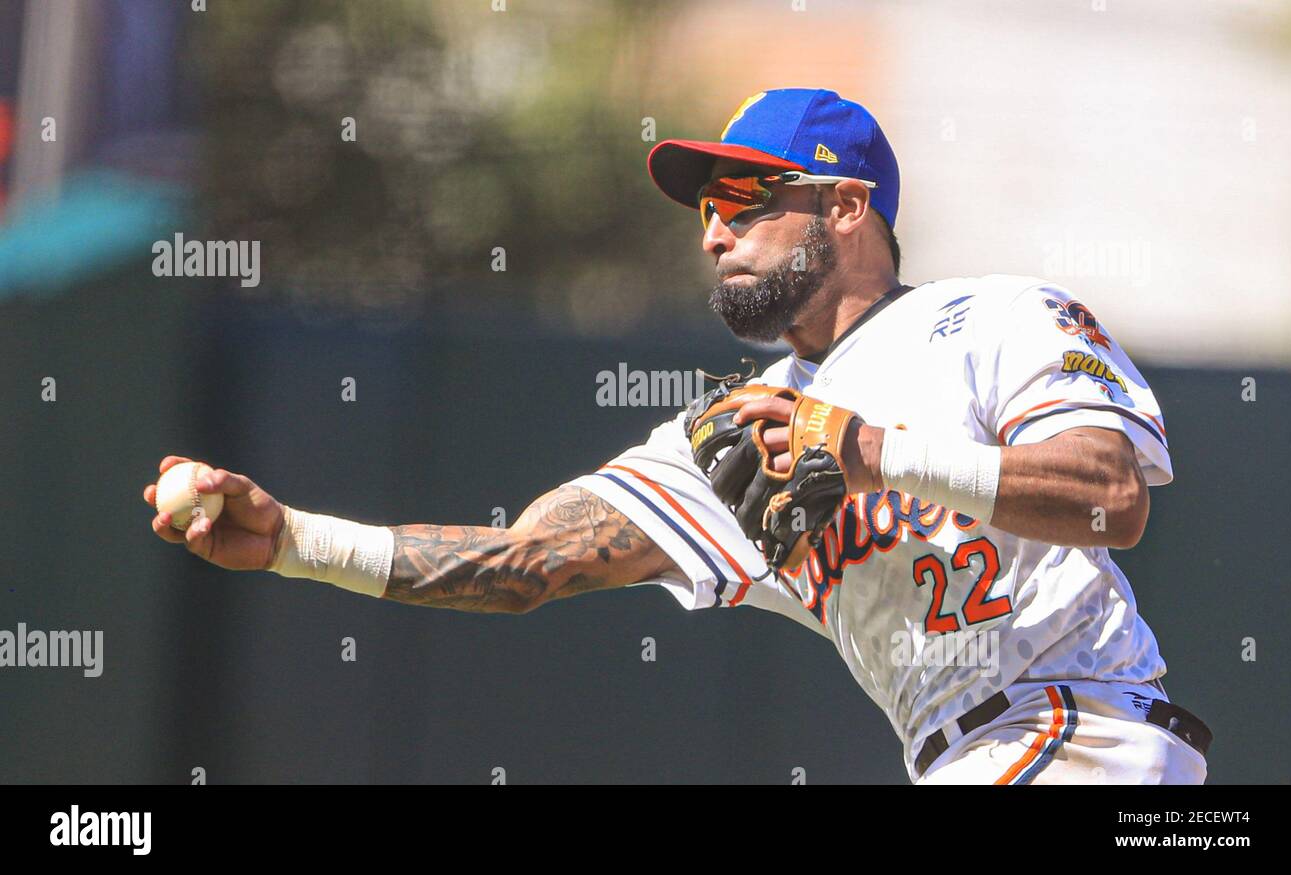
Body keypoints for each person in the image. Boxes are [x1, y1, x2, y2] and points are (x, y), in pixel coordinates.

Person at [145, 88, 1209, 784]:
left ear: (844, 205)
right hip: (964, 755)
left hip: (1080, 732)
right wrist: (294, 538)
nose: (711, 230)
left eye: (744, 197)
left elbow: (1111, 498)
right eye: (703, 207)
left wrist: (874, 452)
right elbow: (522, 563)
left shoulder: (991, 317)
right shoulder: (735, 426)